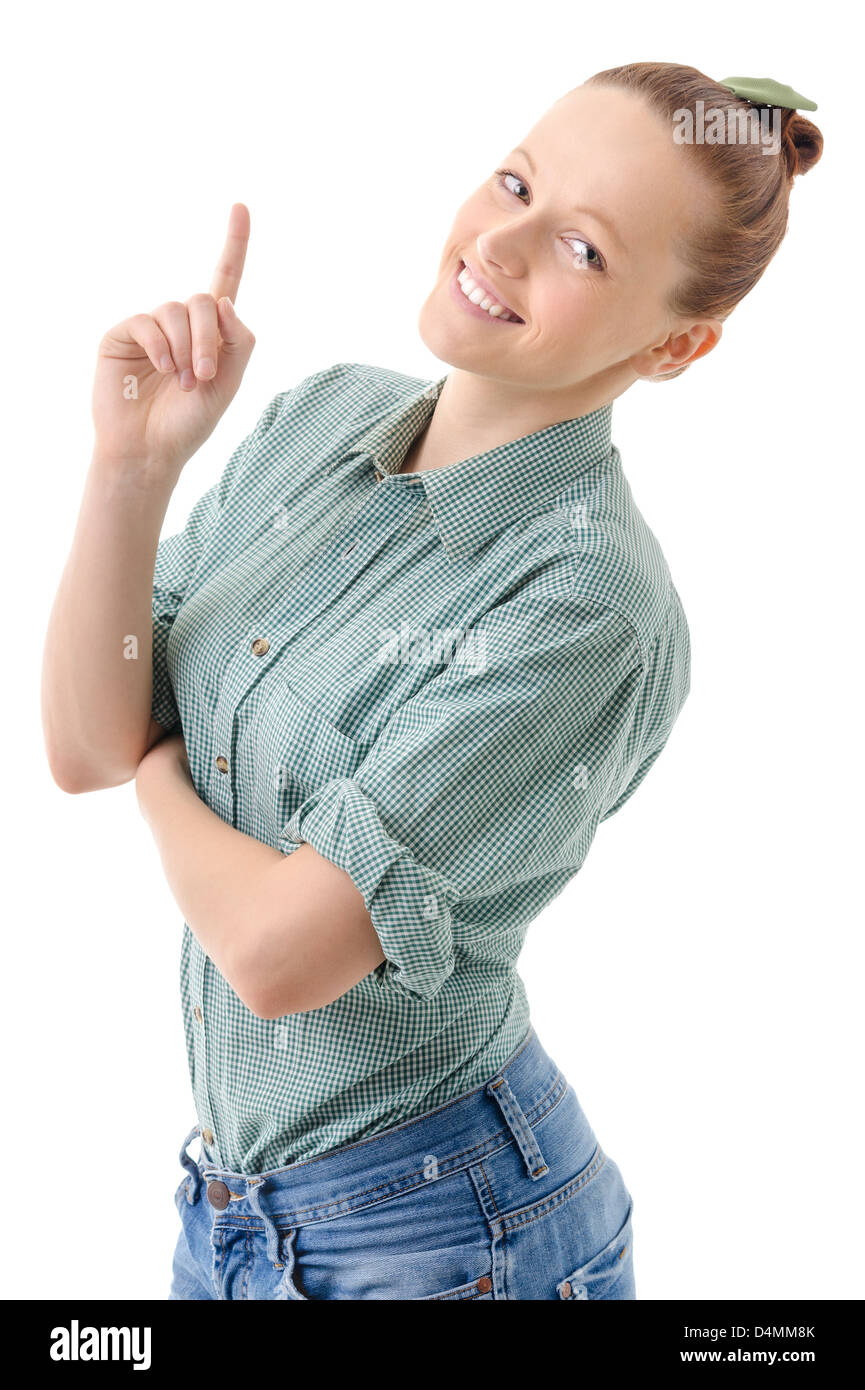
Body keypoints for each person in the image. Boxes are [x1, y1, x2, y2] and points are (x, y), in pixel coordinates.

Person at [41, 61, 823, 1300]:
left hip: (448, 1237)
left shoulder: (588, 606)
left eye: (578, 247)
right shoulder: (321, 417)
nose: (499, 243)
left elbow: (276, 951)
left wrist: (158, 763)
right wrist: (130, 468)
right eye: (514, 180)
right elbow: (83, 741)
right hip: (230, 1207)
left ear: (679, 342)